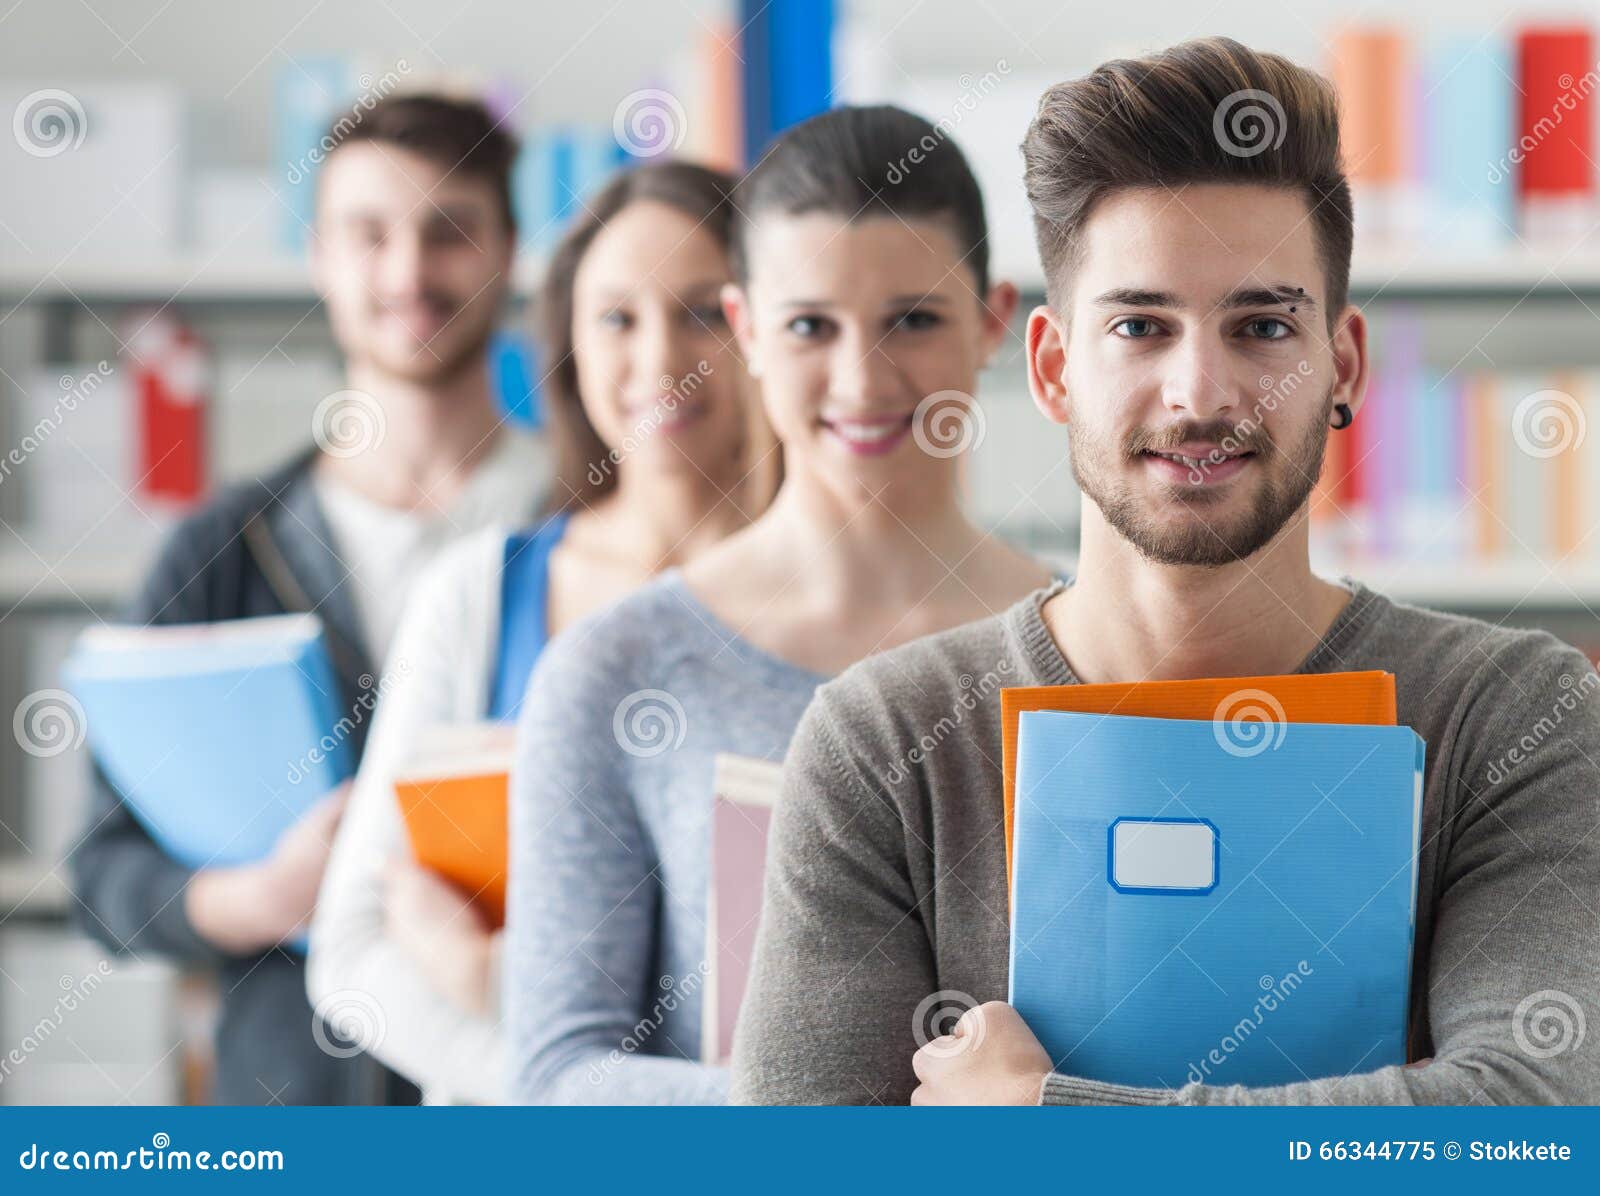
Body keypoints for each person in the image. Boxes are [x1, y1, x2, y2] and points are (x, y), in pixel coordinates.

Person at [730, 37, 1600, 1107]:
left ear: (1344, 363)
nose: (1199, 392)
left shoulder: (1515, 712)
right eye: (1140, 325)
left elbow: (1529, 1125)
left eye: (1264, 326)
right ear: (1052, 368)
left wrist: (1040, 1115)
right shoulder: (881, 748)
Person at [503, 104, 1052, 1104]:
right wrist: (827, 1095)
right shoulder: (617, 666)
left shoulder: (1093, 650)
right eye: (810, 325)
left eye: (914, 320)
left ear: (993, 322)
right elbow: (552, 1074)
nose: (860, 378)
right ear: (748, 330)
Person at [71, 93, 546, 1105]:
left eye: (449, 231)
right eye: (369, 234)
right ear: (321, 256)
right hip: (298, 1099)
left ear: (509, 250)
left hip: (537, 1088)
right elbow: (100, 866)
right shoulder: (221, 547)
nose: (408, 272)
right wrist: (252, 898)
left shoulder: (586, 525)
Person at [307, 159, 778, 1103]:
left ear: (766, 328)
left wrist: (490, 980)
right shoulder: (478, 594)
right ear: (564, 342)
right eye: (616, 319)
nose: (659, 360)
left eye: (702, 313)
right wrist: (554, 1089)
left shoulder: (842, 597)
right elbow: (353, 951)